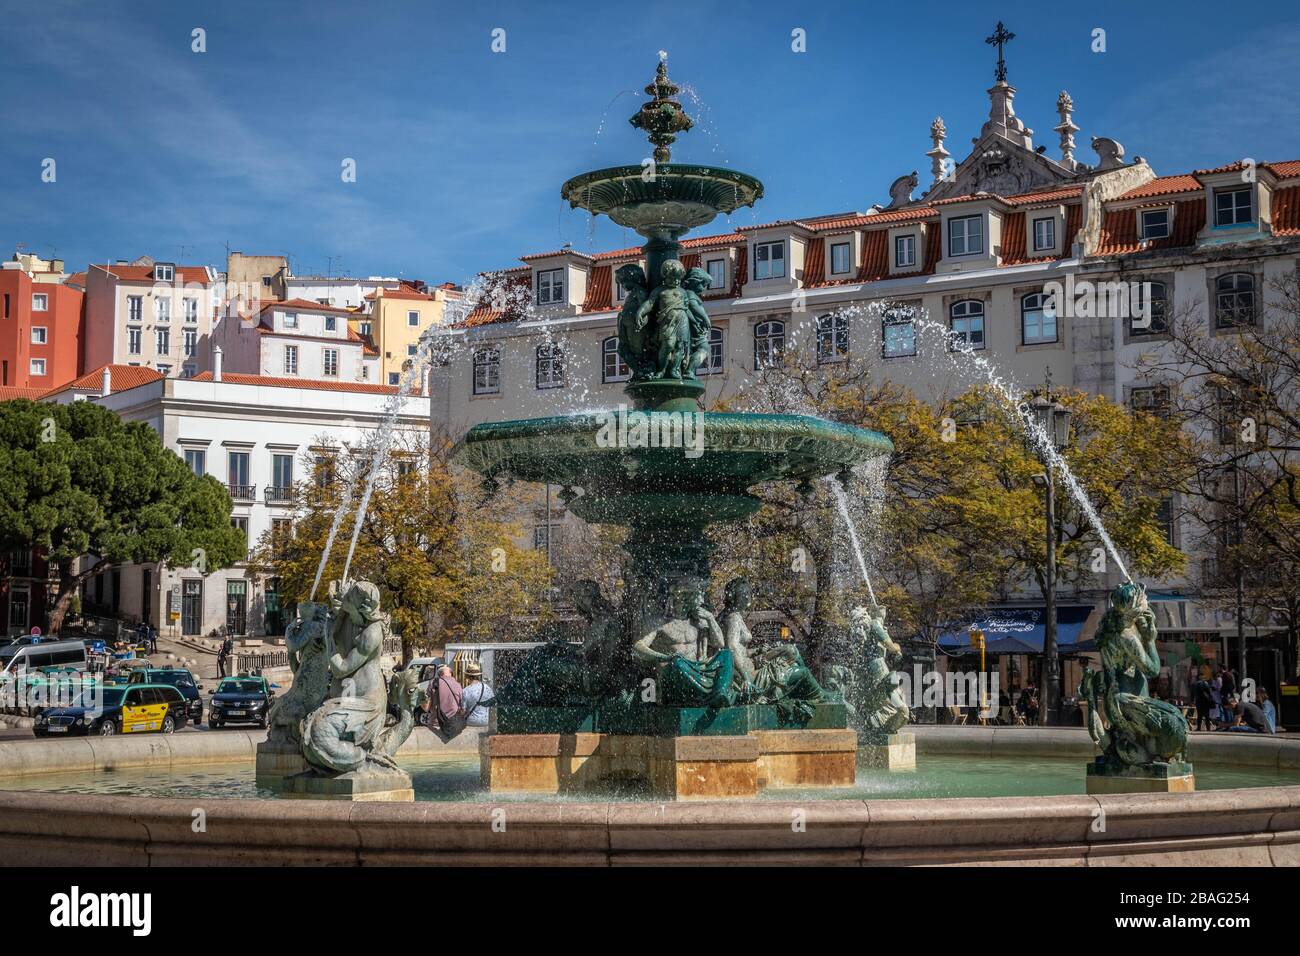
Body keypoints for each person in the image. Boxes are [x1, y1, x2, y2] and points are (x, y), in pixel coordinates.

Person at [422, 662, 466, 742]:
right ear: (451, 674)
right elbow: (462, 708)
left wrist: (419, 700)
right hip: (454, 724)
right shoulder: (458, 685)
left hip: (436, 724)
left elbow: (426, 708)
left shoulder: (433, 683)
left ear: (440, 674)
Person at [459, 662, 495, 728]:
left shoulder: (465, 691)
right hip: (486, 720)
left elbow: (463, 711)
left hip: (471, 721)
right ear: (478, 676)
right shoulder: (488, 688)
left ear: (467, 676)